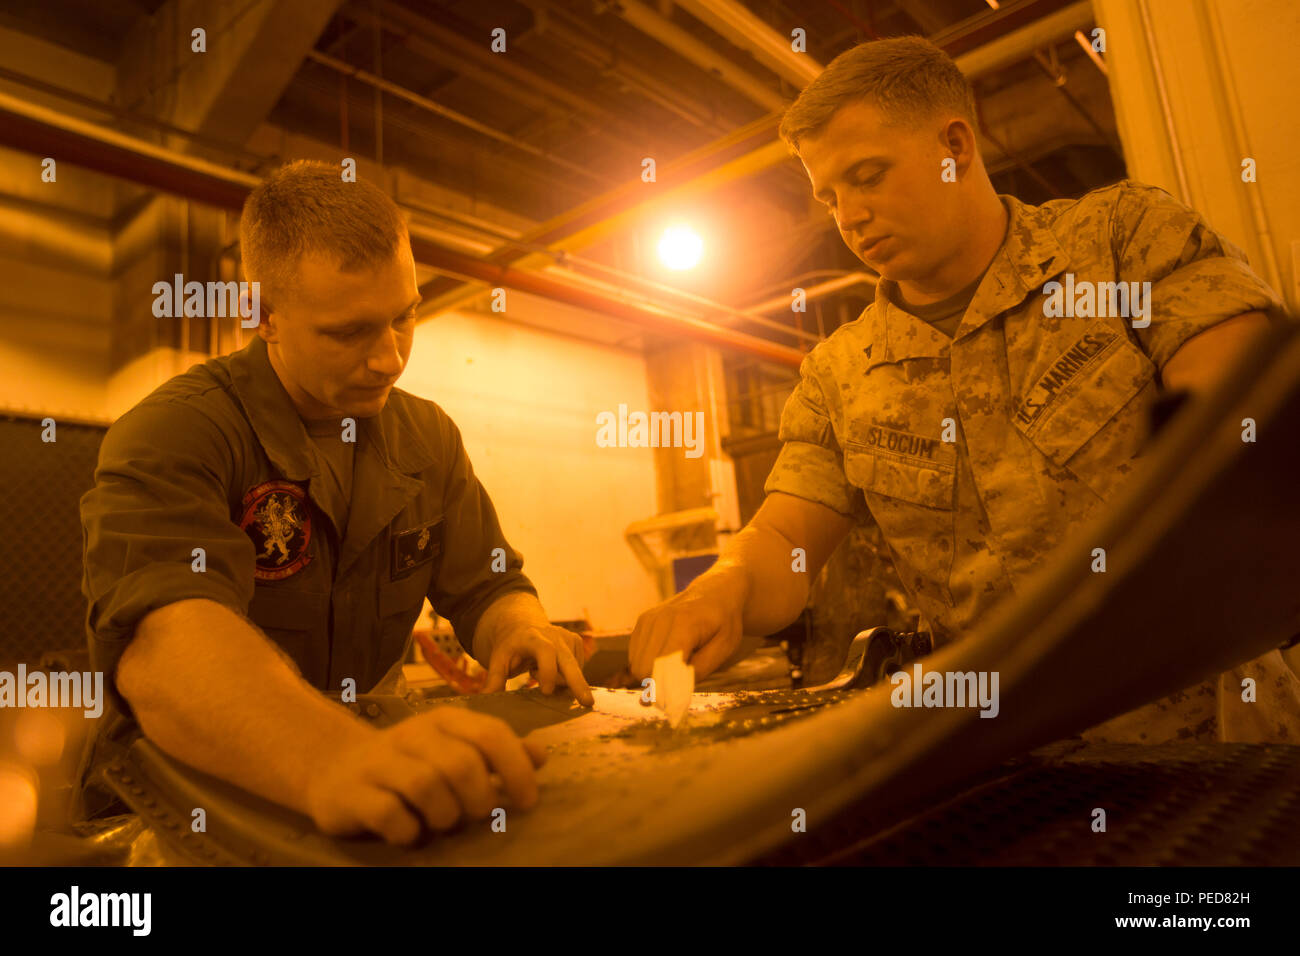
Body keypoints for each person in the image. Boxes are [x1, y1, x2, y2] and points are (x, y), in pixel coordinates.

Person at [627, 36, 1300, 744]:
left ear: (955, 146)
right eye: (829, 196)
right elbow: (786, 535)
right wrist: (719, 591)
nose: (848, 216)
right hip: (1004, 768)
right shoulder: (841, 371)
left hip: (1224, 748)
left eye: (867, 175)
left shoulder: (1121, 244)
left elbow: (1233, 411)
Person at [76, 160, 593, 847]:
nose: (389, 359)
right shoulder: (177, 432)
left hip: (362, 764)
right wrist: (334, 757)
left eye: (405, 319)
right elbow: (167, 644)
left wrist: (520, 627)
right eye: (348, 333)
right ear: (261, 315)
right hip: (187, 793)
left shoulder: (427, 437)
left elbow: (488, 581)